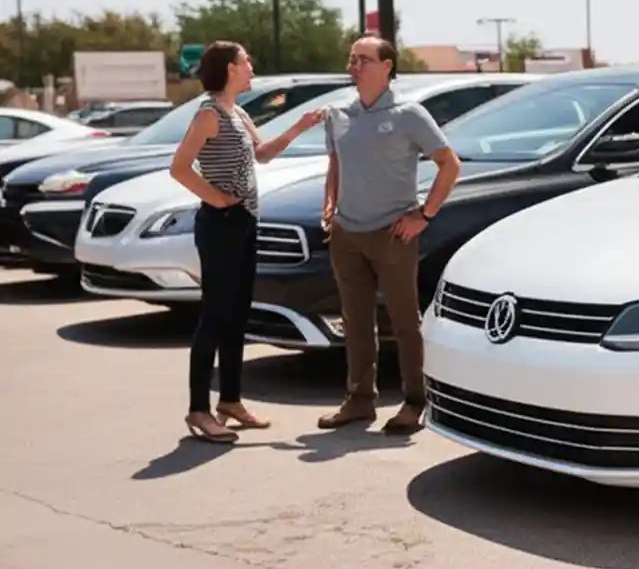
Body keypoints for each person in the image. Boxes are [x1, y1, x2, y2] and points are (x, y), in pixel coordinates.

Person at [170, 41, 326, 443]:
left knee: (238, 314)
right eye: (246, 61)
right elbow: (179, 168)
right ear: (228, 68)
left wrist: (299, 126)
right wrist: (219, 199)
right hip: (220, 224)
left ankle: (231, 401)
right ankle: (198, 410)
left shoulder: (236, 111)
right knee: (215, 316)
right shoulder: (207, 113)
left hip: (244, 222)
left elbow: (263, 154)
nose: (251, 66)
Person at [317, 35, 462, 434]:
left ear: (387, 67)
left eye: (363, 59)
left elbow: (450, 165)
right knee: (356, 320)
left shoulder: (409, 114)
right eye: (351, 59)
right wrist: (329, 206)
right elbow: (336, 164)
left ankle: (415, 402)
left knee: (403, 321)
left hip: (393, 233)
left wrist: (425, 215)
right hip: (347, 234)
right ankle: (360, 401)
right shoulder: (339, 114)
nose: (355, 67)